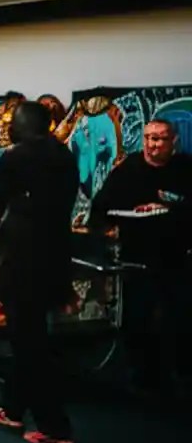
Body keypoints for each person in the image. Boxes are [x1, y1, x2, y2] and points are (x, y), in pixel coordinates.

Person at [0, 102, 78, 443]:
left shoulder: (15, 157)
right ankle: (11, 407)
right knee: (28, 336)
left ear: (20, 126)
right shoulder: (65, 156)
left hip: (22, 261)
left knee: (30, 344)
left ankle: (55, 427)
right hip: (56, 256)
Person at [91, 117, 192, 396]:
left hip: (177, 258)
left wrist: (168, 209)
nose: (152, 144)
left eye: (159, 138)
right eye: (148, 138)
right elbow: (100, 206)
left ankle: (180, 374)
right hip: (136, 257)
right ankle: (142, 377)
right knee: (138, 318)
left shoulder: (185, 170)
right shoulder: (129, 170)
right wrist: (106, 228)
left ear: (173, 142)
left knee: (178, 318)